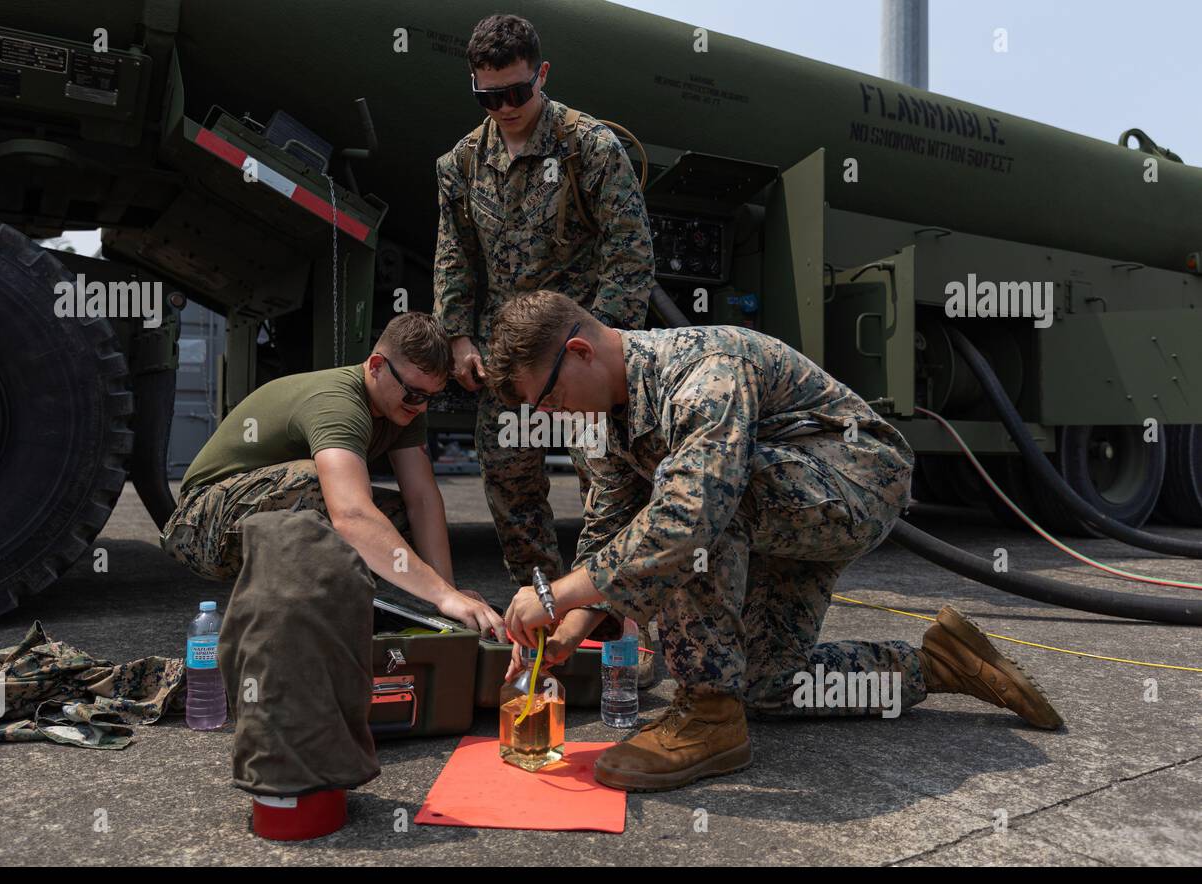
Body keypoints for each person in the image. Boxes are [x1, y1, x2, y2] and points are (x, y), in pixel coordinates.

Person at [486, 290, 1064, 792]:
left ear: (580, 352)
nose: (551, 414)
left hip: (857, 482)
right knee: (765, 684)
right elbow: (609, 527)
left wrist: (555, 593)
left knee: (695, 504)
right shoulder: (604, 424)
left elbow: (690, 519)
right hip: (780, 502)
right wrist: (574, 622)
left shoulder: (701, 371)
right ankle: (937, 664)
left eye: (549, 399)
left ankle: (708, 717)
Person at [433, 13, 654, 589]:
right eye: (489, 96)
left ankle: (610, 619)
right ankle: (543, 607)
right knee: (510, 487)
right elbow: (455, 255)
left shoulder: (589, 148)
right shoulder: (460, 164)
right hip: (507, 360)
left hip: (577, 356)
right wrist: (458, 337)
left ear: (543, 74)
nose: (505, 106)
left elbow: (630, 256)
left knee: (609, 486)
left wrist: (603, 349)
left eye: (517, 91)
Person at [161, 311, 504, 638]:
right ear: (376, 366)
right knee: (321, 487)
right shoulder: (339, 403)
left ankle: (316, 613)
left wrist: (447, 593)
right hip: (201, 525)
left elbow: (423, 499)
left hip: (251, 512)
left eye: (432, 397)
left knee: (395, 519)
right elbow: (351, 515)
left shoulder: (405, 408)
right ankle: (277, 620)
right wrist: (442, 595)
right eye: (414, 393)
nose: (421, 406)